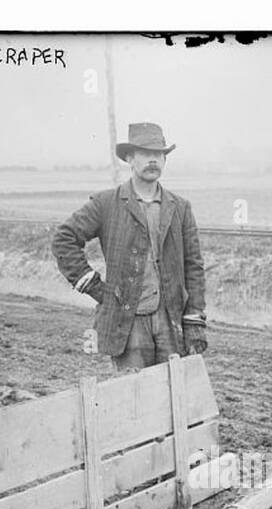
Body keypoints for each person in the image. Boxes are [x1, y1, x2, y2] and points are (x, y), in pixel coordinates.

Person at [52, 122, 207, 371]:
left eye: (159, 154)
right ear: (130, 159)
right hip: (128, 323)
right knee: (133, 398)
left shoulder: (180, 207)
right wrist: (94, 286)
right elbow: (64, 238)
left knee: (173, 398)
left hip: (171, 323)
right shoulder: (106, 203)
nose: (153, 160)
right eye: (146, 154)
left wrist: (194, 320)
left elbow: (194, 266)